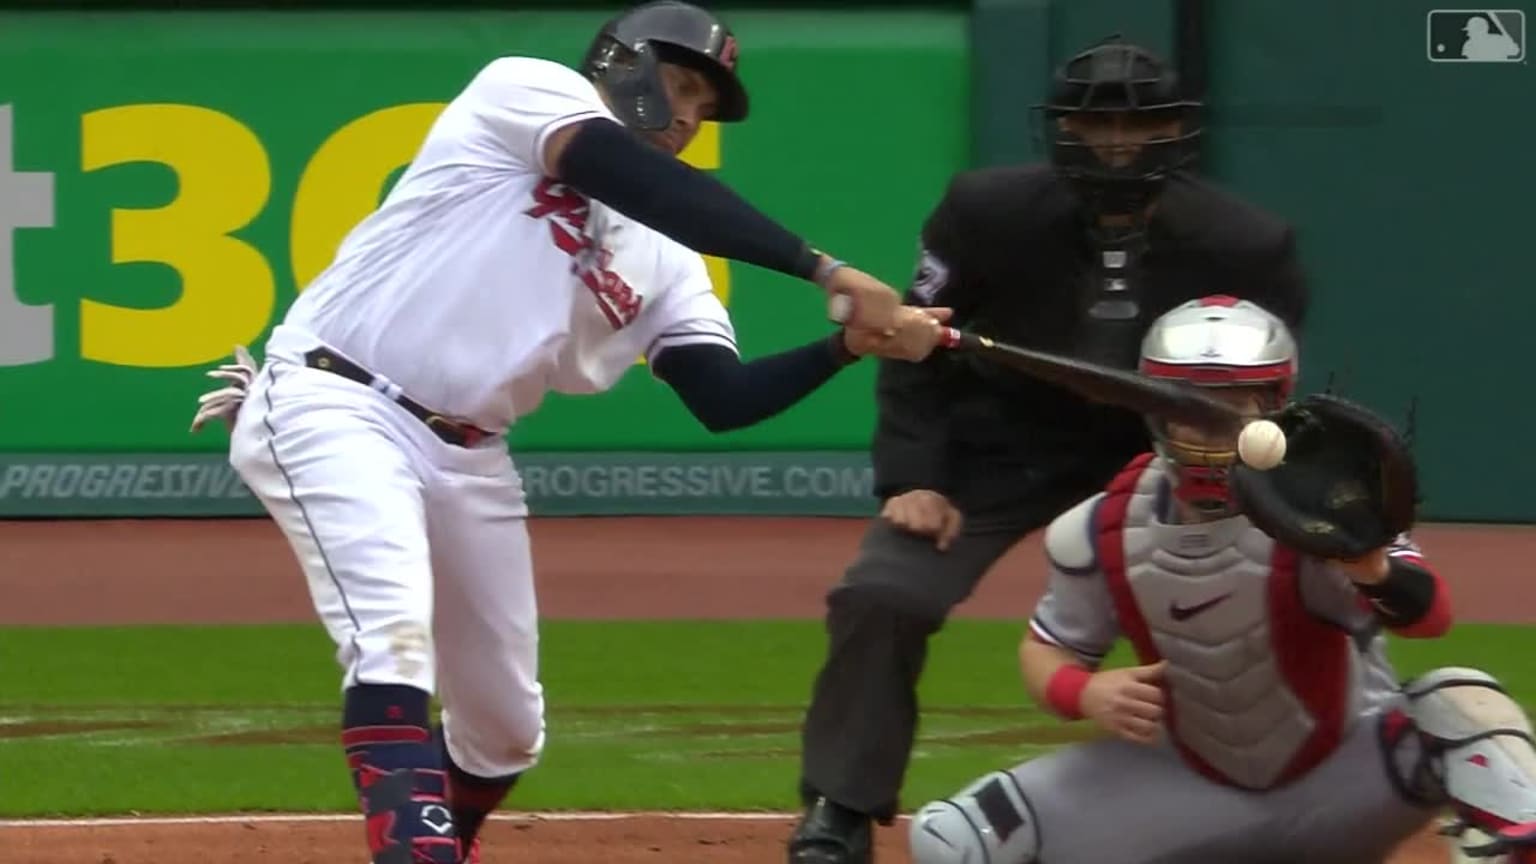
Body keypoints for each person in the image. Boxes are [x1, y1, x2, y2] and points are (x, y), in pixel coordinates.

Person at [188, 4, 948, 863]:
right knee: (393, 637)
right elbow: (629, 174)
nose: (691, 117)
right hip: (339, 398)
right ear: (625, 62)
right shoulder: (527, 90)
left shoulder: (669, 261)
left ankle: (448, 838)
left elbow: (722, 397)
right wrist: (824, 268)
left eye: (706, 106)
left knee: (506, 732)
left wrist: (847, 347)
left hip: (469, 454)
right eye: (682, 85)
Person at [786, 36, 1310, 863]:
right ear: (1061, 129)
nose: (1117, 145)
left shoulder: (1246, 244)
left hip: (1164, 460)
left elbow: (1269, 387)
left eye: (1137, 126)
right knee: (883, 594)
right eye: (1096, 125)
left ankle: (1277, 799)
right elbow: (916, 343)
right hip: (996, 451)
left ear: (1174, 131)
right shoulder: (982, 213)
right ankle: (840, 809)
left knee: (1250, 604)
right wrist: (914, 478)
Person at [905, 296, 1536, 864]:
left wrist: (1371, 567)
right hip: (1189, 790)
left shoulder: (1332, 506)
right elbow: (1048, 650)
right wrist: (1084, 692)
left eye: (1234, 406)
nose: (1210, 426)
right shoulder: (1098, 529)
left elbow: (1431, 617)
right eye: (1188, 406)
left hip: (1348, 780)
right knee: (955, 836)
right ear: (1154, 409)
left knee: (1463, 702)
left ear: (1275, 405)